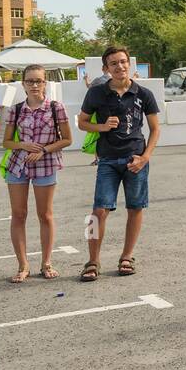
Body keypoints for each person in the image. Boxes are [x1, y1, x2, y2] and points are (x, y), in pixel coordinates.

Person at [77, 45, 160, 281]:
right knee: (97, 212)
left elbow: (155, 129)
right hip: (108, 160)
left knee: (135, 208)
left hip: (136, 159)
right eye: (114, 63)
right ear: (106, 68)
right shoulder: (96, 93)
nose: (120, 66)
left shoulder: (143, 94)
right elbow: (82, 123)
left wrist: (145, 157)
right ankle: (92, 260)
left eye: (123, 62)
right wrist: (101, 127)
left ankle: (127, 256)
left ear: (129, 64)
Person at [2, 65, 72, 282]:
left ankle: (46, 262)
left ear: (45, 83)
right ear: (23, 84)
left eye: (38, 81)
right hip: (18, 166)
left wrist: (43, 150)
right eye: (30, 81)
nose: (34, 85)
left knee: (45, 214)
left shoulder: (55, 108)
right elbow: (5, 142)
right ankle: (23, 265)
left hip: (46, 164)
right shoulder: (15, 110)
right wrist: (22, 145)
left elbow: (67, 139)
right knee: (19, 214)